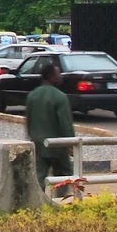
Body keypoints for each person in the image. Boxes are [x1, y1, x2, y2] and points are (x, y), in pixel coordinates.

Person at [25, 60, 75, 199]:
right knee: (64, 174)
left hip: (38, 143)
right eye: (58, 74)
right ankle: (59, 200)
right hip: (58, 145)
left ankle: (38, 202)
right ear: (51, 76)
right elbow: (65, 123)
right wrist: (71, 143)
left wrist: (31, 137)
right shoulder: (60, 97)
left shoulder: (32, 95)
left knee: (39, 176)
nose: (61, 77)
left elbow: (28, 120)